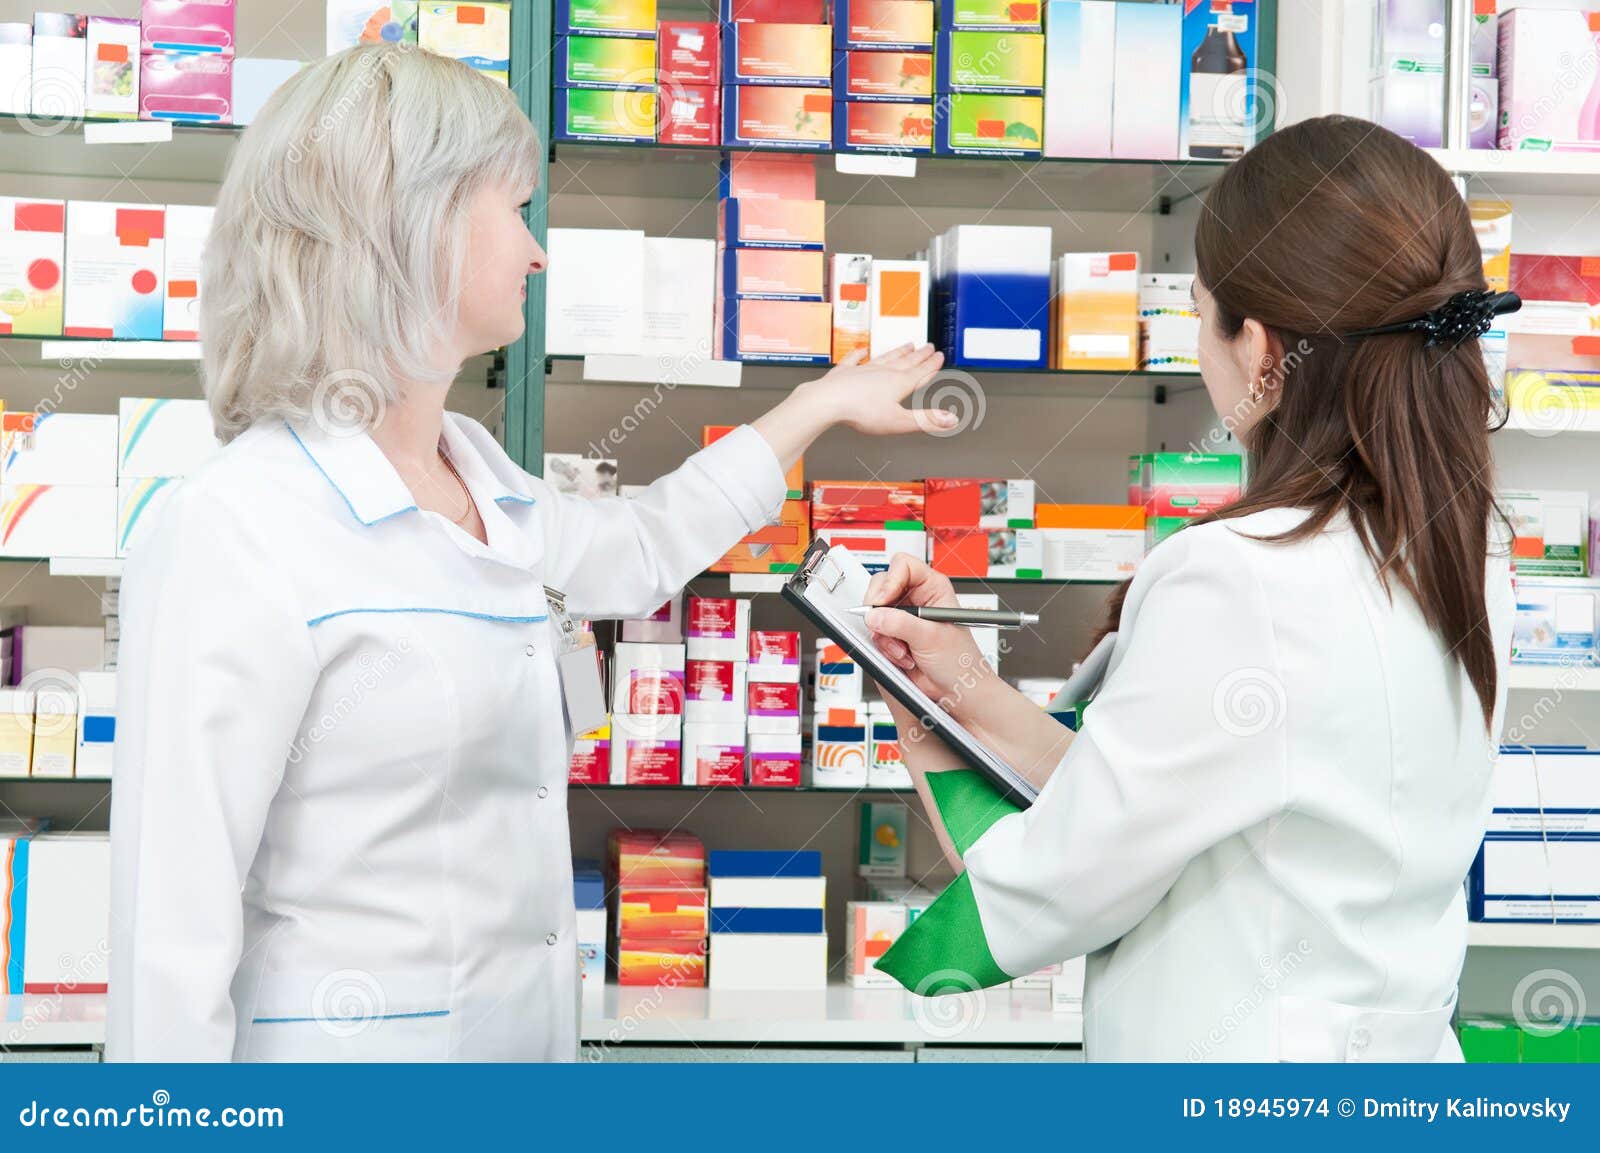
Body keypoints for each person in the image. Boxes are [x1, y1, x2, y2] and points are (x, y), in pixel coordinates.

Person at [106, 44, 953, 1062]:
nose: (537, 253)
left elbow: (644, 547)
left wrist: (813, 406)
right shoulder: (238, 527)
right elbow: (171, 927)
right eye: (513, 211)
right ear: (406, 225)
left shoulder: (489, 486)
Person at [863, 116, 1517, 1062]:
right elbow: (1180, 791)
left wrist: (927, 735)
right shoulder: (1465, 552)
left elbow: (1056, 886)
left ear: (1259, 349)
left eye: (1197, 312)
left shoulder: (1239, 574)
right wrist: (966, 690)